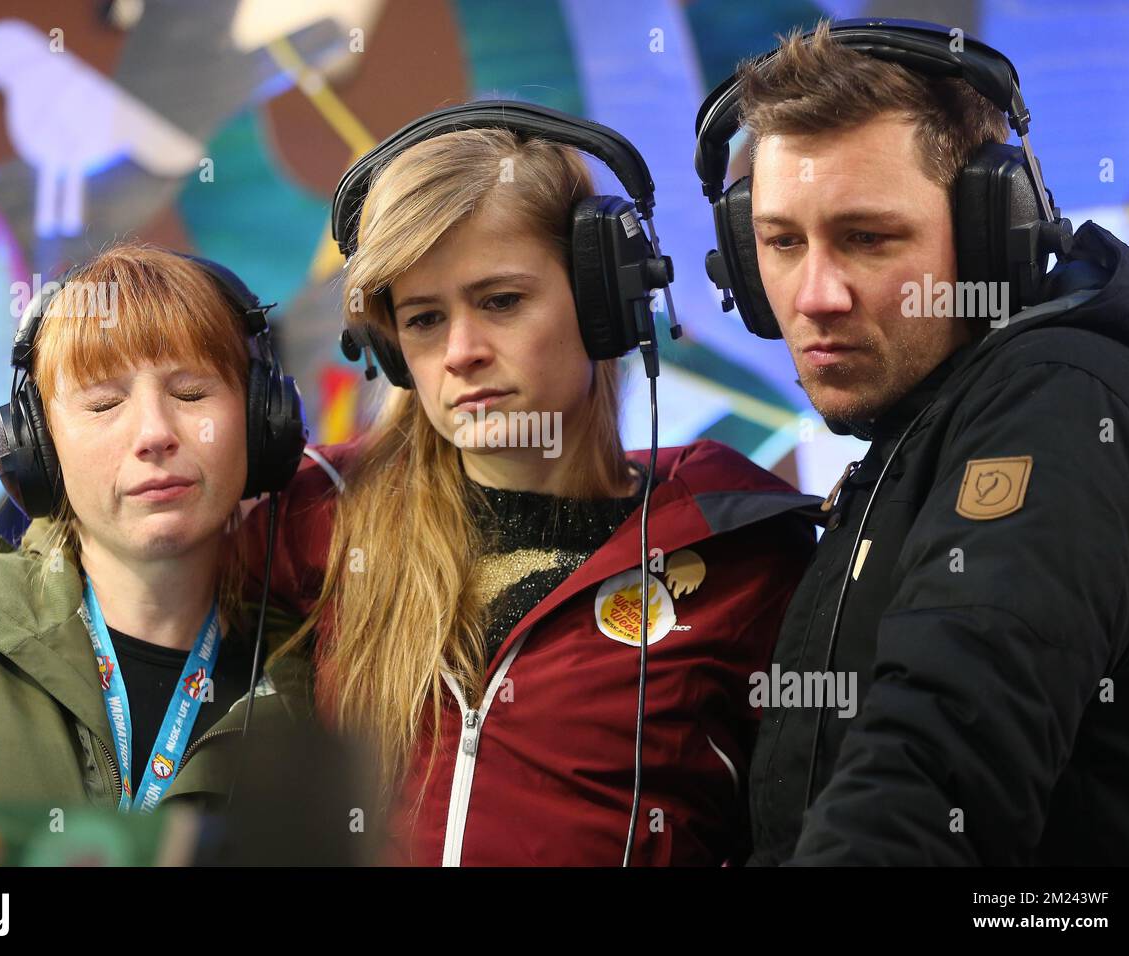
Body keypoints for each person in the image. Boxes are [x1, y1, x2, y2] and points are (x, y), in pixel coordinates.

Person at [240, 104, 818, 865]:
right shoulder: (318, 508)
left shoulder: (743, 547)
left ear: (605, 299)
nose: (462, 352)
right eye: (422, 319)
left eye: (501, 301)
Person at [694, 18, 1129, 864]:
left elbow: (933, 771)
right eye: (782, 243)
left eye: (868, 238)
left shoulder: (1057, 408)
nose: (815, 294)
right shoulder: (922, 430)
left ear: (994, 233)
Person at [0, 244, 307, 813]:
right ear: (39, 448)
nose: (154, 432)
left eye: (190, 393)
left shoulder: (316, 687)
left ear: (261, 422)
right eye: (104, 404)